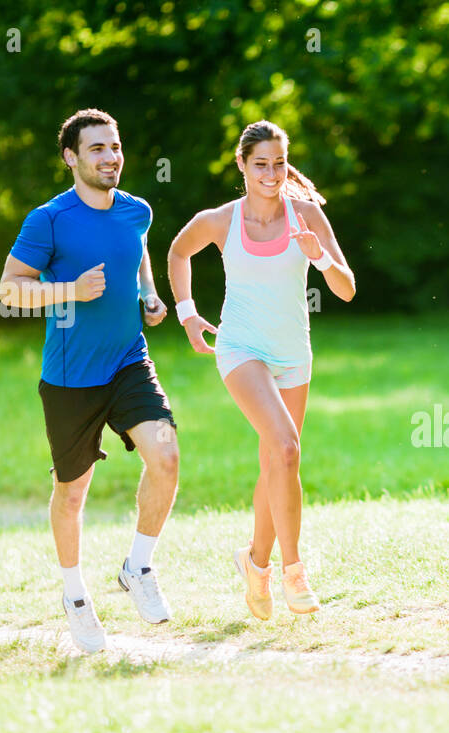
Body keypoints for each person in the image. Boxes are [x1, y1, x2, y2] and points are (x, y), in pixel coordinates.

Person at [0, 108, 178, 653]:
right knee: (71, 494)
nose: (110, 158)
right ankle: (75, 595)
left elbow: (139, 251)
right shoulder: (48, 220)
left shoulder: (136, 211)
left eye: (115, 147)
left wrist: (148, 293)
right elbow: (9, 289)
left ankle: (138, 567)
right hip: (71, 379)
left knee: (165, 455)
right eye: (97, 149)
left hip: (128, 359)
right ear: (71, 157)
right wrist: (69, 290)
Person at [167, 119, 355, 619]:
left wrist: (321, 261)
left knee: (277, 459)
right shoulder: (221, 220)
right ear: (242, 165)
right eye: (260, 164)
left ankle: (254, 564)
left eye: (278, 163)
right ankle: (293, 573)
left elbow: (347, 288)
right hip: (241, 347)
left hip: (294, 352)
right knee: (287, 445)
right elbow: (177, 251)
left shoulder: (308, 217)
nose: (271, 174)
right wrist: (187, 314)